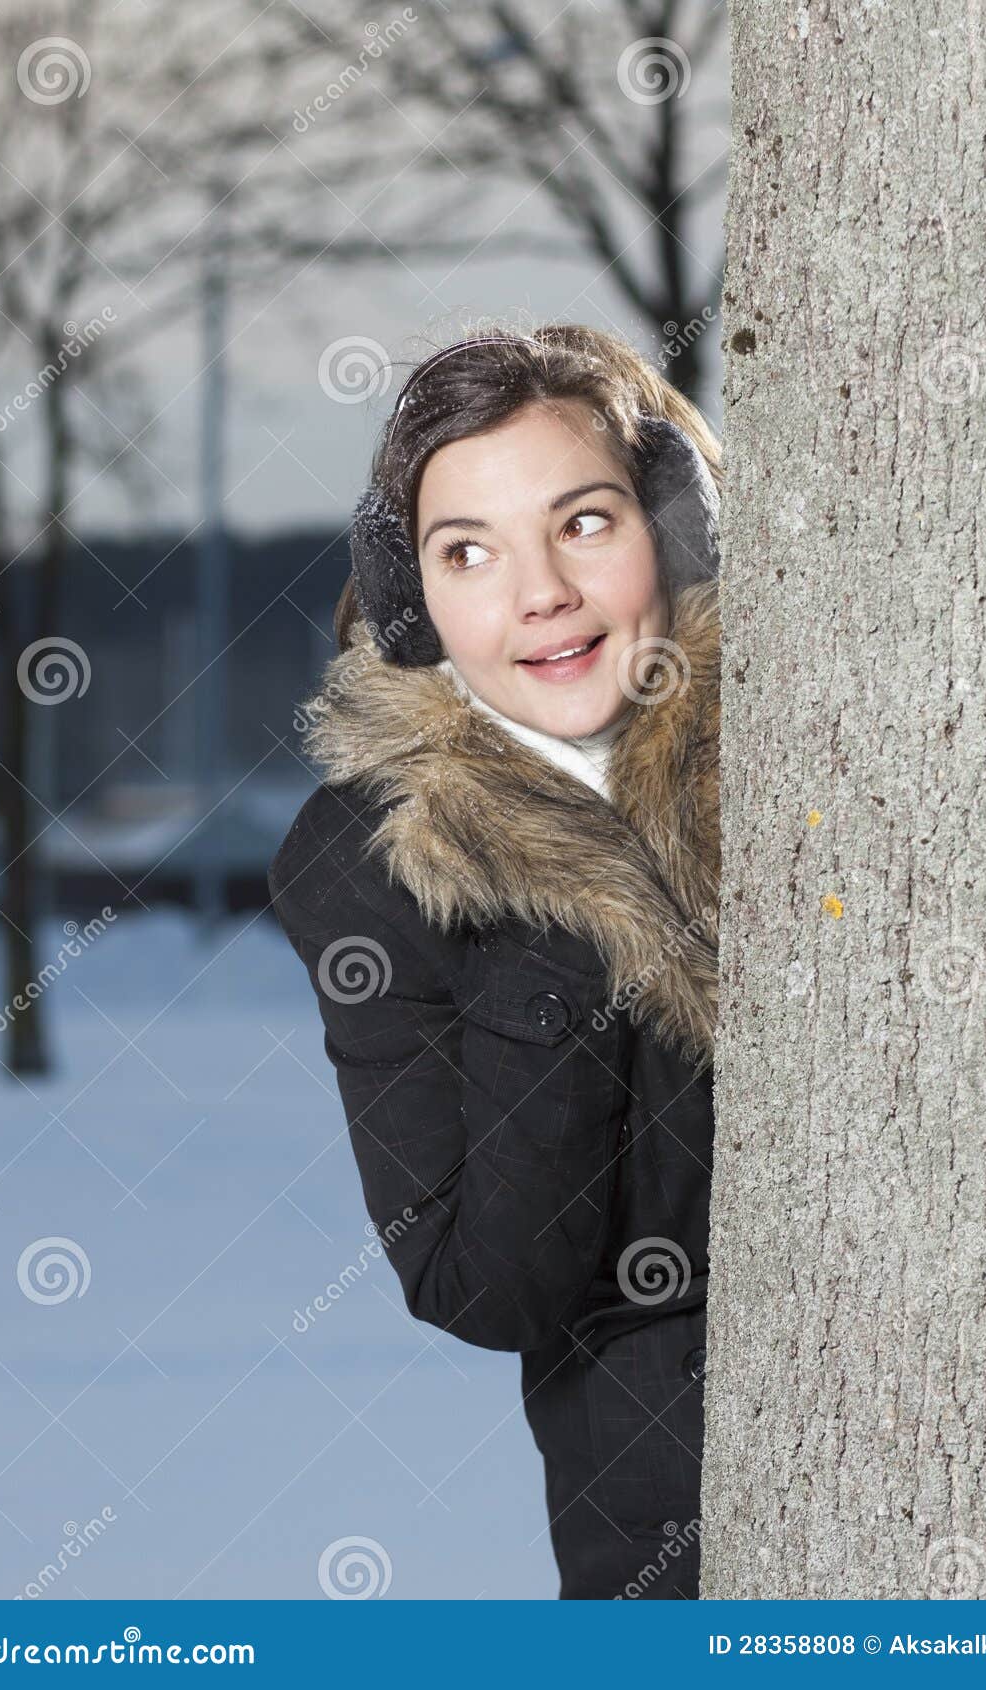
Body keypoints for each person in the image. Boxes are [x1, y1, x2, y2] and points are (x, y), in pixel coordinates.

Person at [267, 322, 722, 1599]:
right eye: (467, 552)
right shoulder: (371, 862)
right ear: (412, 601)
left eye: (583, 523)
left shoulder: (813, 749)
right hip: (670, 1538)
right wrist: (543, 907)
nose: (539, 594)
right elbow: (478, 1282)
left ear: (673, 524)